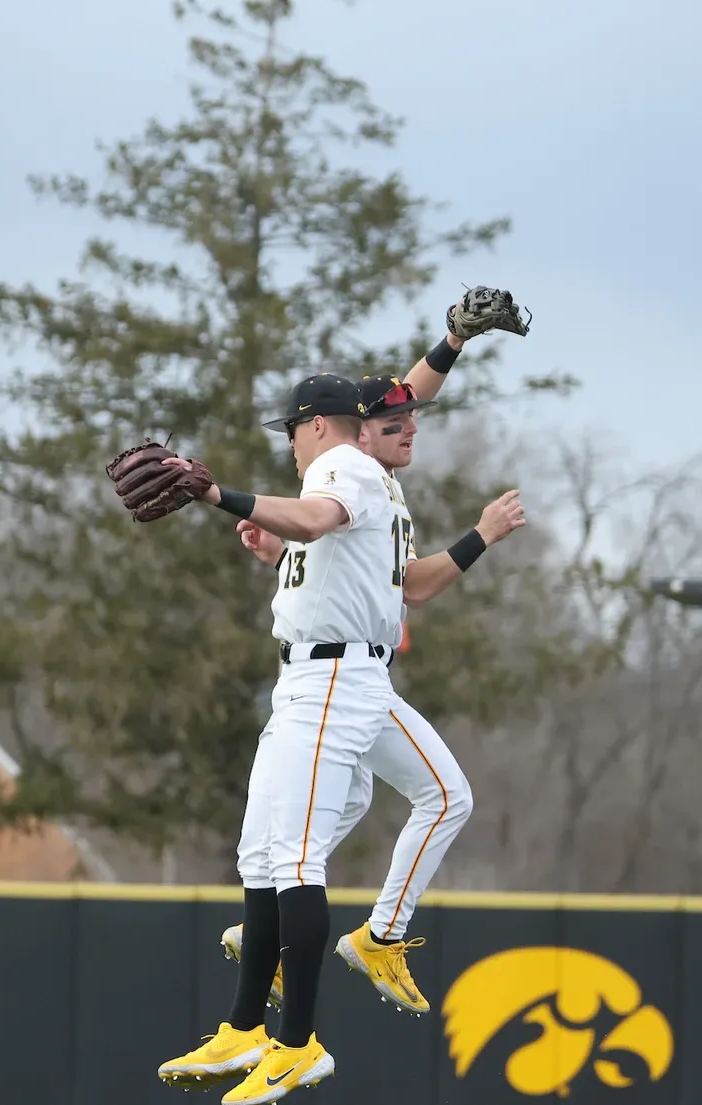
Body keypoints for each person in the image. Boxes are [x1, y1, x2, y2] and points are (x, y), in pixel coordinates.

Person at [219, 315, 526, 1017]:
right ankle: (300, 938)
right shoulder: (351, 477)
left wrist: (455, 343)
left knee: (390, 801)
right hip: (333, 677)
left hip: (352, 676)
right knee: (331, 837)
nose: (407, 427)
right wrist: (450, 343)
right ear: (352, 431)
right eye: (389, 424)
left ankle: (341, 933)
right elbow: (386, 413)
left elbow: (410, 585)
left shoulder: (370, 490)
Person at [154, 372, 442, 1105]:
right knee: (262, 855)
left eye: (289, 432)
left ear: (314, 425)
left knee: (296, 859)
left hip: (336, 682)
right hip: (312, 679)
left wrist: (220, 497)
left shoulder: (342, 465)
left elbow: (315, 518)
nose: (288, 446)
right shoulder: (352, 472)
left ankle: (297, 1044)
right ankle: (246, 1027)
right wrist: (271, 545)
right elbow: (317, 543)